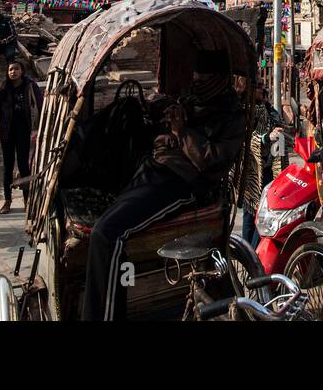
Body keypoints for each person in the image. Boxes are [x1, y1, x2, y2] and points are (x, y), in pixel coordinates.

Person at [82, 47, 248, 321]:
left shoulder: (232, 116)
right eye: (194, 77)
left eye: (202, 78)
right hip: (154, 168)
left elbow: (211, 162)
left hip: (182, 184)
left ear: (217, 80)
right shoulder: (193, 100)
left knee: (107, 233)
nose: (195, 82)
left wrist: (181, 131)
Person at [238, 83, 283, 248]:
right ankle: (245, 251)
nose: (262, 90)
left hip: (269, 170)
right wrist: (266, 137)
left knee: (263, 214)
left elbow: (279, 134)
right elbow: (245, 138)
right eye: (257, 87)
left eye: (262, 88)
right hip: (251, 171)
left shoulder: (270, 111)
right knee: (250, 215)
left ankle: (255, 253)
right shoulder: (244, 112)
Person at [0, 60, 42, 214]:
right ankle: (7, 200)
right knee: (8, 167)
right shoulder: (4, 88)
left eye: (16, 69)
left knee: (23, 165)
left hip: (23, 131)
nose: (13, 72)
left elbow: (40, 104)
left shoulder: (30, 86)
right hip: (7, 132)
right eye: (10, 69)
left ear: (22, 71)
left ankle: (27, 199)